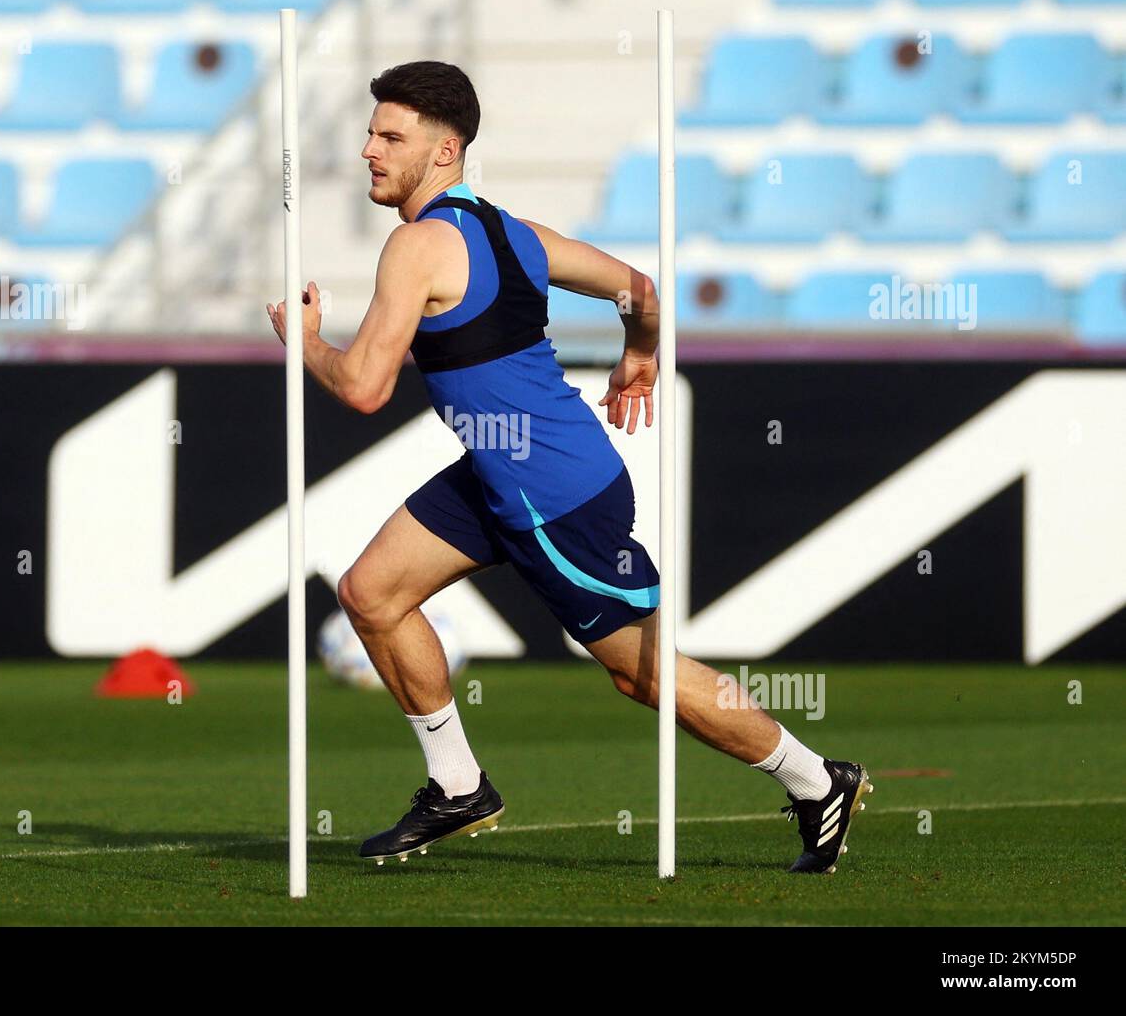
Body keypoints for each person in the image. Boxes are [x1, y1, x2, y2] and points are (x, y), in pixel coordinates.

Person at [267, 60, 872, 874]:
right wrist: (640, 356)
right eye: (371, 131)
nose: (368, 149)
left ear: (445, 151)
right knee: (370, 593)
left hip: (549, 494)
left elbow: (366, 386)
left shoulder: (415, 247)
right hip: (502, 468)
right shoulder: (517, 233)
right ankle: (458, 785)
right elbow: (641, 289)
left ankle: (816, 779)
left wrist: (303, 340)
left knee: (645, 675)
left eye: (389, 136)